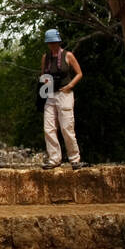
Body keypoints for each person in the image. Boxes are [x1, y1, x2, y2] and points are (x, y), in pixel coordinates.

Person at [39, 28, 85, 169]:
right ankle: (54, 159)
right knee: (49, 128)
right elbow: (42, 76)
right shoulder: (45, 58)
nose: (53, 45)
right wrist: (43, 88)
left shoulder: (67, 55)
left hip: (64, 94)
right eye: (50, 43)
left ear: (59, 42)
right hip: (50, 95)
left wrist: (70, 85)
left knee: (67, 127)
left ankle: (74, 159)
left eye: (54, 42)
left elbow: (79, 73)